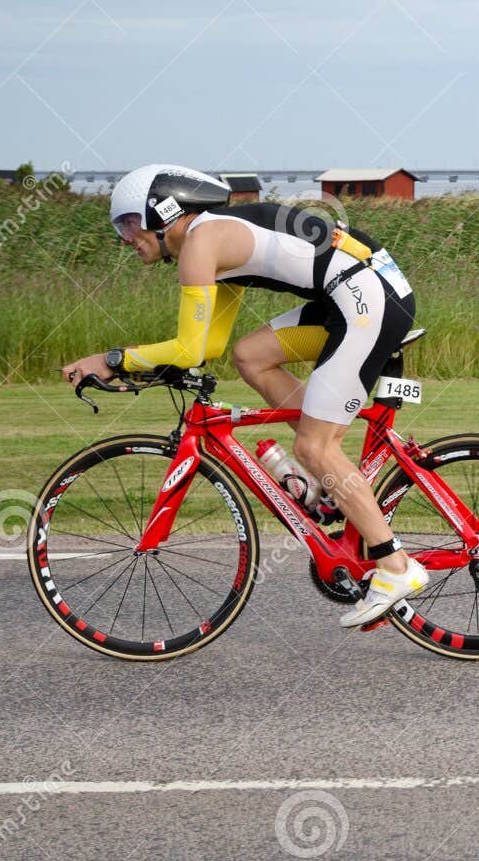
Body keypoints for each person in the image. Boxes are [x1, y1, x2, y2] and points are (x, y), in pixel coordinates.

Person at [60, 164, 427, 626]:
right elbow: (208, 348)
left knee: (314, 446)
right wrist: (139, 365)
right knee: (250, 356)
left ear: (164, 210)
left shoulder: (200, 241)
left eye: (129, 223)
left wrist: (113, 360)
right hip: (355, 292)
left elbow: (189, 348)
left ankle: (395, 566)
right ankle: (333, 483)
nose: (124, 237)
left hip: (367, 297)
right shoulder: (214, 241)